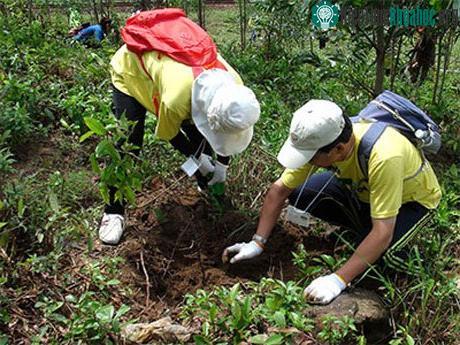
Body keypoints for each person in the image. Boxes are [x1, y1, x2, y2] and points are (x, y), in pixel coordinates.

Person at [222, 99, 441, 304]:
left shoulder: (385, 156)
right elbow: (279, 190)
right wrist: (257, 242)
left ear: (338, 149)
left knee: (382, 257)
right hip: (364, 192)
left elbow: (383, 232)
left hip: (411, 201)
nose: (307, 162)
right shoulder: (323, 138)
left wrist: (338, 279)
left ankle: (431, 272)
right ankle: (363, 229)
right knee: (302, 193)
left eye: (311, 157)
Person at [98, 39, 260, 245]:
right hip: (132, 70)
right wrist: (199, 159)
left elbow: (225, 133)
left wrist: (221, 166)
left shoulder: (235, 88)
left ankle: (207, 188)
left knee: (200, 139)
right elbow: (169, 134)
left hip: (175, 77)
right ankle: (113, 211)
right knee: (130, 142)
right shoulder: (176, 99)